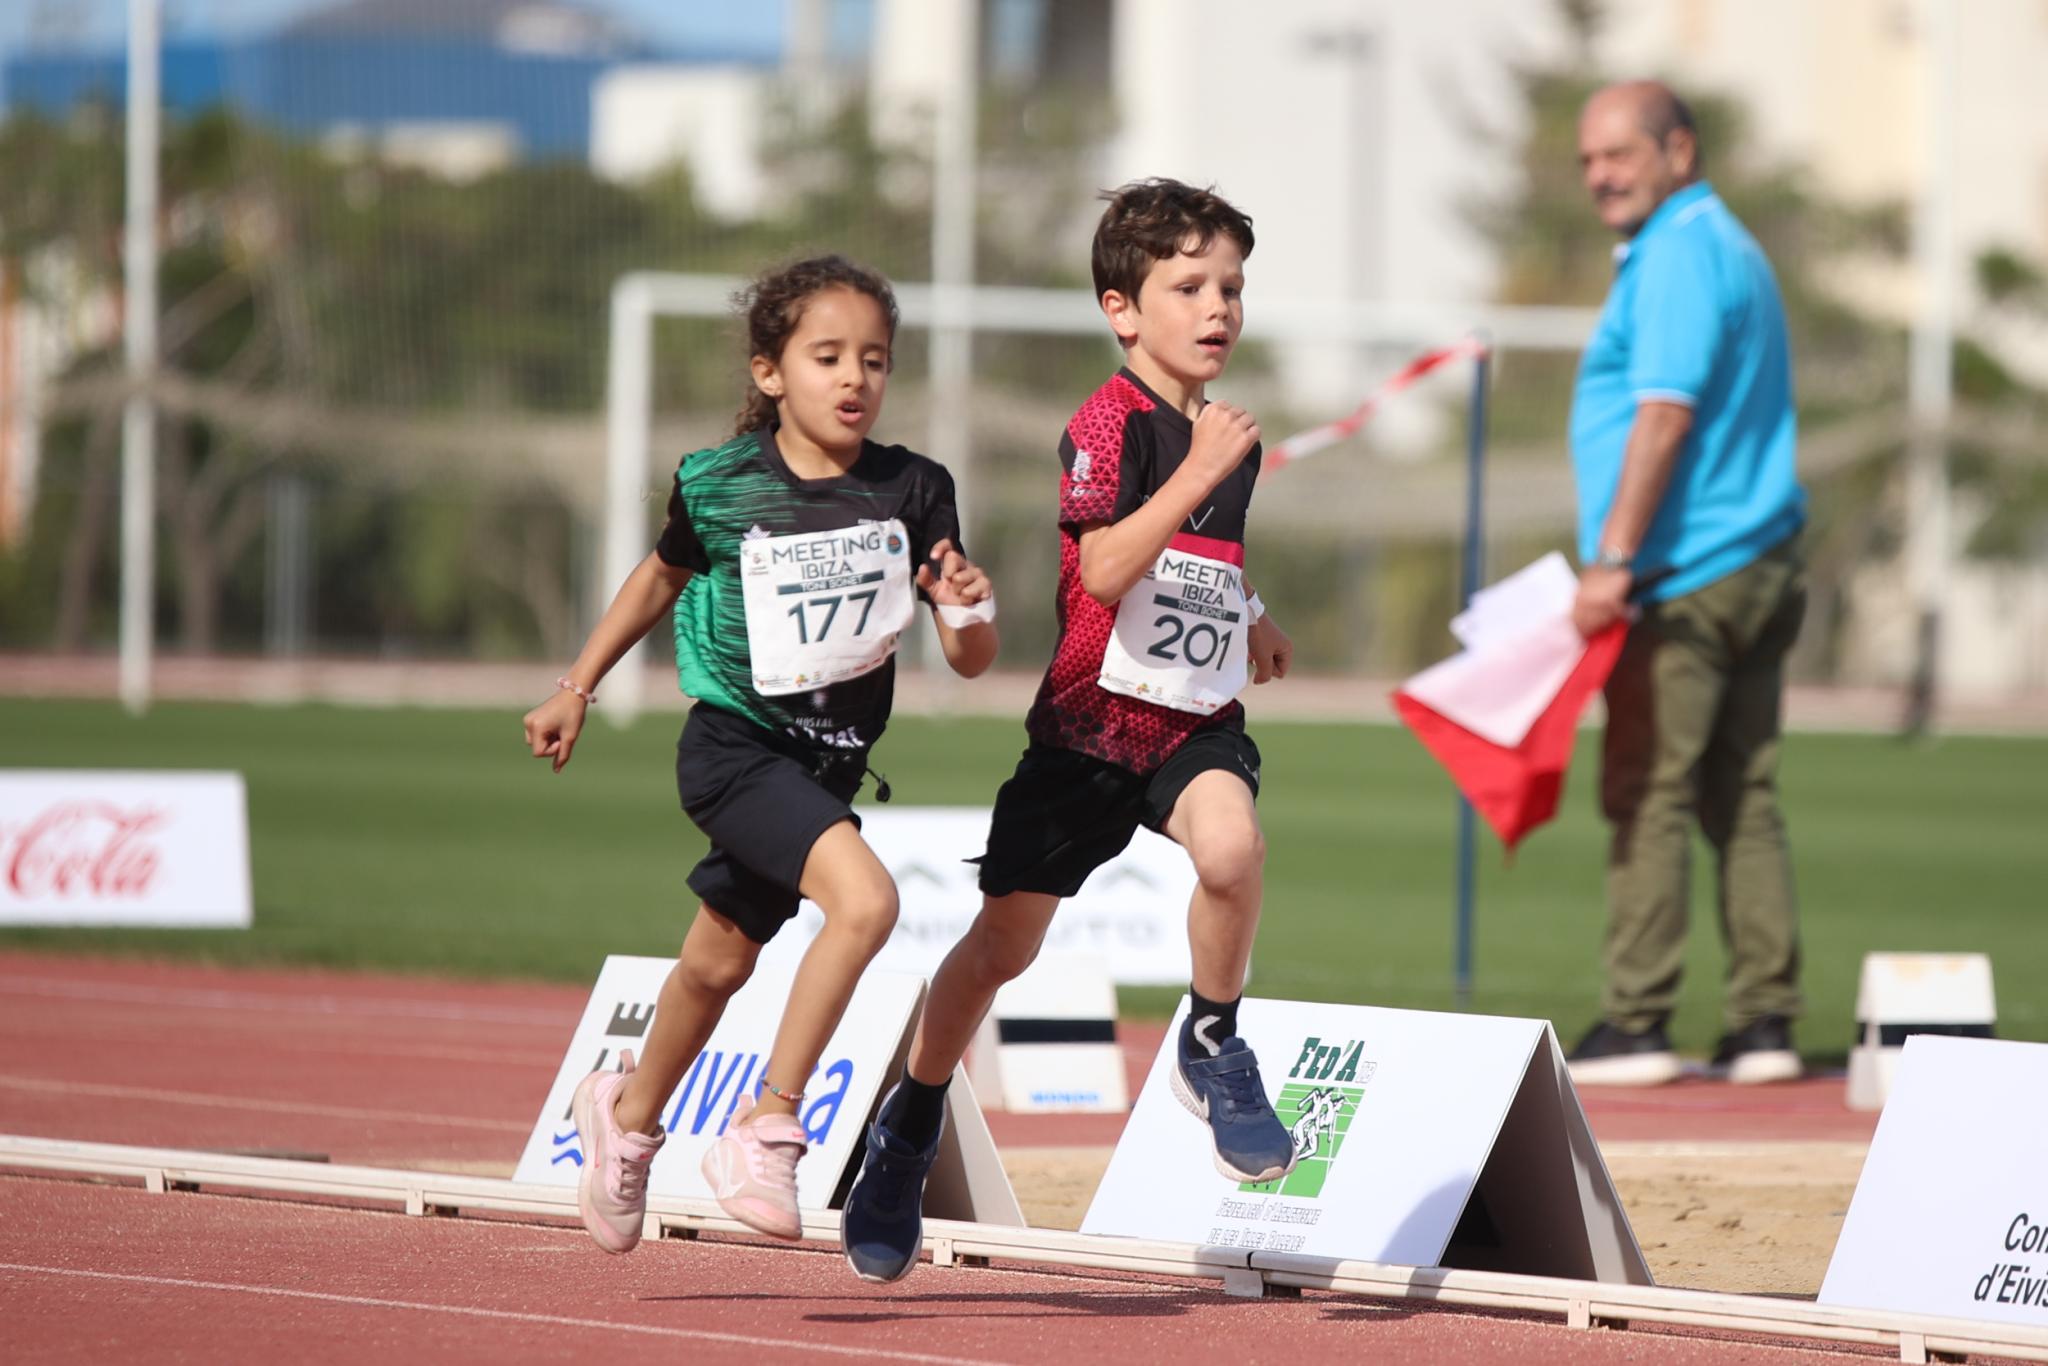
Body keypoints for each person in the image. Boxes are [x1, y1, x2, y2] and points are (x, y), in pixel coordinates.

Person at [838, 178, 1298, 1284]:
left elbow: (1195, 565)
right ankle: (908, 1122)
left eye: (1230, 286)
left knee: (1233, 850)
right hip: (1088, 730)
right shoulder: (1108, 423)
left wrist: (1252, 613)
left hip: (1190, 720)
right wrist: (1195, 470)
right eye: (1187, 285)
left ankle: (1211, 1038)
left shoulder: (1217, 431)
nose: (1217, 307)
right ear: (1121, 308)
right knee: (1004, 946)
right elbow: (1100, 566)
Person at [521, 255, 999, 1252]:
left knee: (716, 960)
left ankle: (626, 1118)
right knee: (867, 902)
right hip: (733, 748)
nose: (853, 378)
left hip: (824, 766)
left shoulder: (915, 488)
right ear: (770, 371)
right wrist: (577, 684)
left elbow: (968, 659)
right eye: (826, 356)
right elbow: (656, 581)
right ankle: (765, 1125)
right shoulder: (718, 482)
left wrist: (965, 609)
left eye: (873, 359)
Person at [1562, 82, 1808, 1088]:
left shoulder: (1673, 251)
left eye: (1619, 153)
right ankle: (1763, 1023)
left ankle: (1636, 1018)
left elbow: (1661, 415)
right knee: (1741, 793)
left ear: (1678, 150)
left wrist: (1611, 559)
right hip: (1758, 554)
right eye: (1586, 160)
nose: (1600, 175)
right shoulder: (1729, 243)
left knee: (1647, 790)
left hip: (1686, 571)